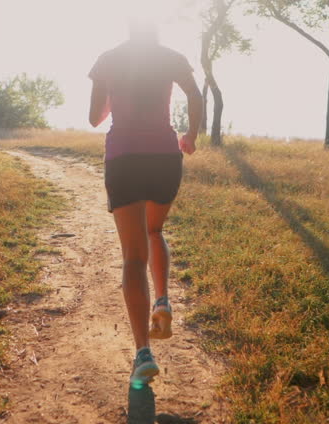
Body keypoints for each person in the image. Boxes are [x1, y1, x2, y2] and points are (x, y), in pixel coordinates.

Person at [88, 20, 203, 388]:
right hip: (165, 158)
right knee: (155, 230)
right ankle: (164, 302)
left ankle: (142, 354)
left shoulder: (107, 59)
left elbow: (95, 118)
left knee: (133, 258)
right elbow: (196, 95)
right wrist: (191, 136)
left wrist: (111, 95)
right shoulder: (172, 57)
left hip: (124, 159)